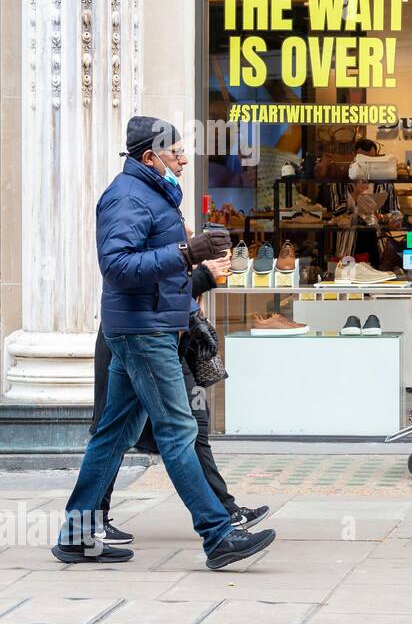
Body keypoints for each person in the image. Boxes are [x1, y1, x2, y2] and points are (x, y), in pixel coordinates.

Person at [54, 116, 276, 570]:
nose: (182, 159)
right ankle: (218, 536)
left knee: (113, 432)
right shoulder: (127, 197)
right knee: (179, 431)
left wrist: (195, 269)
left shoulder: (154, 193)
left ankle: (77, 536)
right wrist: (187, 252)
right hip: (143, 331)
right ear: (149, 157)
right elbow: (116, 265)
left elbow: (158, 269)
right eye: (174, 152)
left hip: (147, 325)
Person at [89, 252, 271, 544]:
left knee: (191, 425)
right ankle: (88, 521)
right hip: (135, 338)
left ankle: (223, 516)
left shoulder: (162, 217)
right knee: (114, 432)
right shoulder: (133, 212)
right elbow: (133, 278)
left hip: (170, 340)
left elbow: (169, 282)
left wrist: (194, 259)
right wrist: (198, 273)